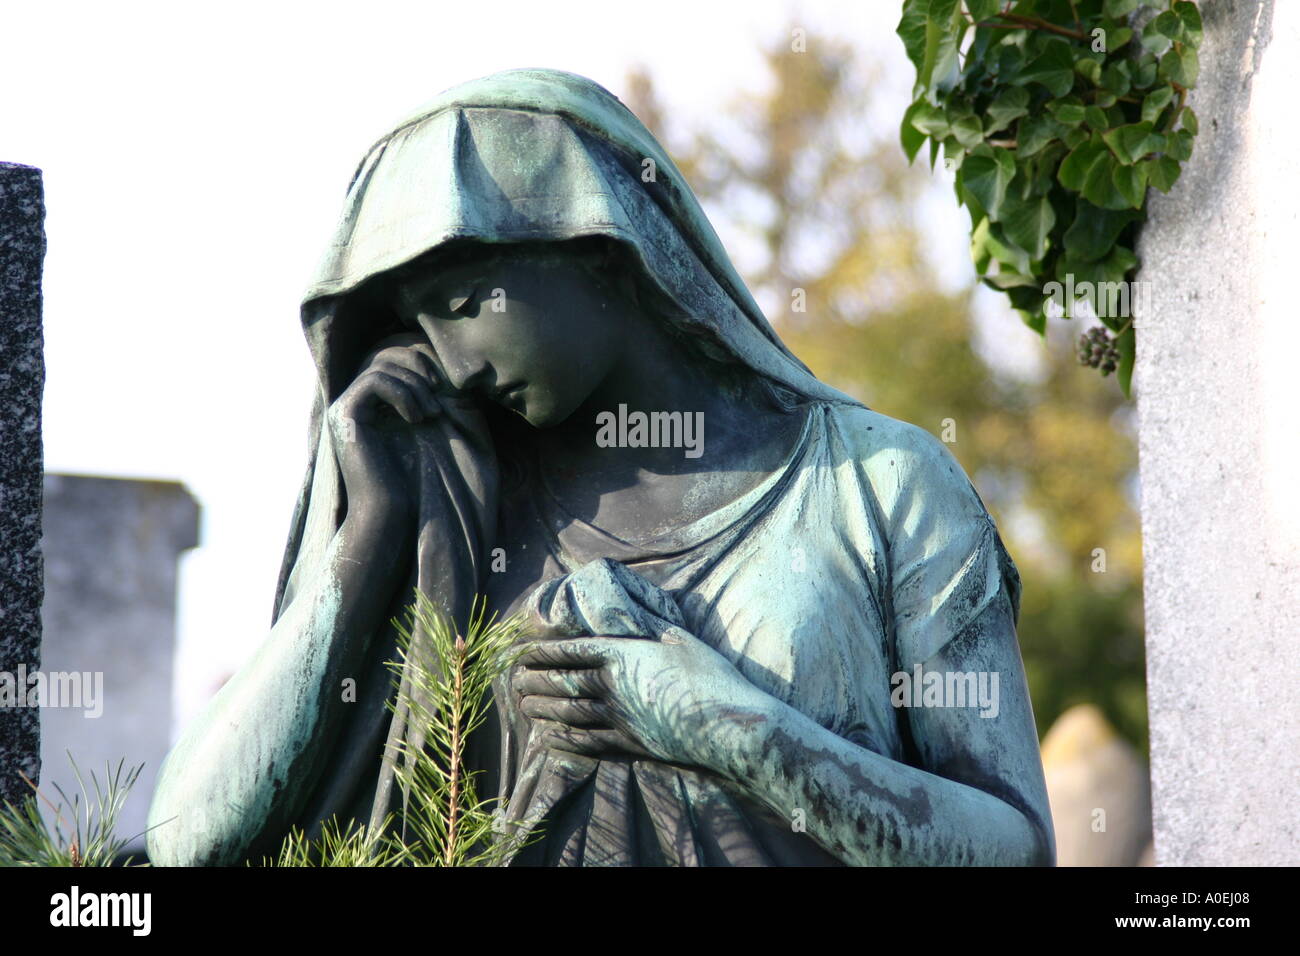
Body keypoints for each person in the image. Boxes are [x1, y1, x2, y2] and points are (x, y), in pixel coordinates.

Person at [146, 68, 1054, 867]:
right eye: (420, 327)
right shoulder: (450, 514)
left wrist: (729, 730)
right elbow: (188, 838)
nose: (452, 364)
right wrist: (374, 529)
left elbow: (1014, 847)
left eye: (463, 303)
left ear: (598, 248)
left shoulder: (880, 485)